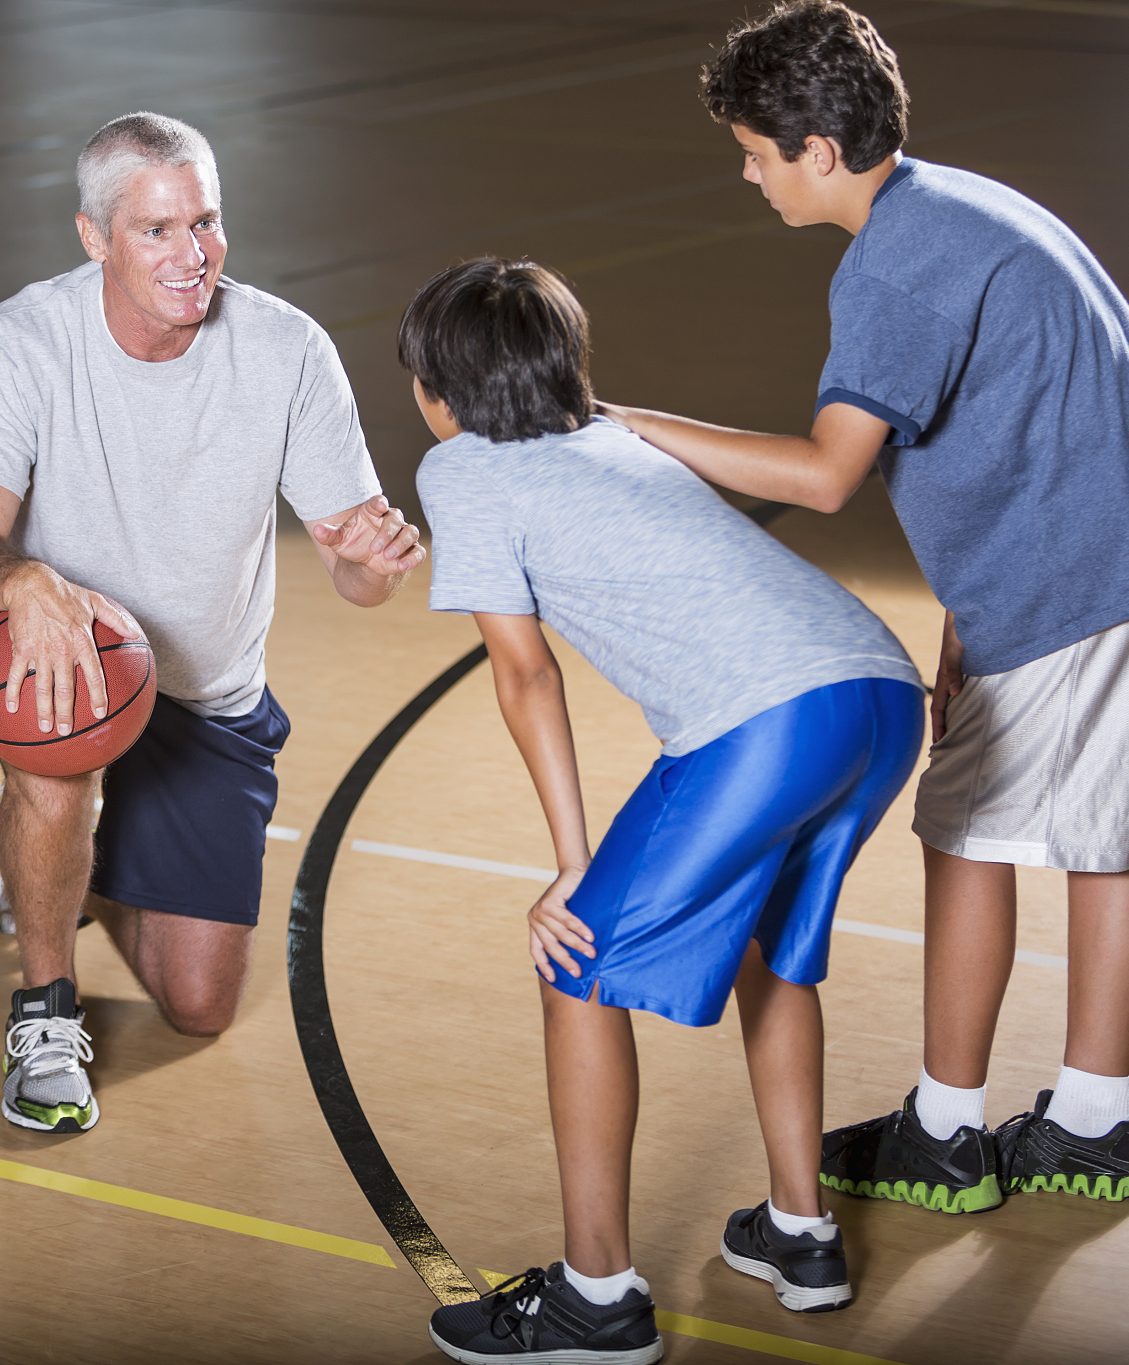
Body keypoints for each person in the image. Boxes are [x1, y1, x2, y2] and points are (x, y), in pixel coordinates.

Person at [604, 0, 1129, 1214]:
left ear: (819, 153)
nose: (747, 175)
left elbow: (825, 473)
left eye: (753, 152)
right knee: (1101, 832)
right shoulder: (950, 203)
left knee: (963, 835)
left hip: (1091, 562)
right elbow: (1003, 438)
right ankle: (1088, 1119)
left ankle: (948, 1135)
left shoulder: (892, 268)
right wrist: (963, 627)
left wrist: (633, 424)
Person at [406, 259, 923, 1363]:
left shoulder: (460, 471)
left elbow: (521, 673)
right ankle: (800, 1234)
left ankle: (595, 1298)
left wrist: (569, 863)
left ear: (437, 391)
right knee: (770, 958)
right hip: (875, 688)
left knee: (574, 962)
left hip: (768, 721)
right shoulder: (616, 436)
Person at [0, 111, 423, 1136]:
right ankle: (46, 1010)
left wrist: (370, 567)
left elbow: (353, 577)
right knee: (51, 758)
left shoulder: (286, 351)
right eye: (156, 230)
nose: (192, 255)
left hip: (210, 688)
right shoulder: (17, 344)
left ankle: (57, 868)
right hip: (63, 643)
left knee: (196, 1006)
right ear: (94, 237)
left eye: (206, 222)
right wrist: (21, 581)